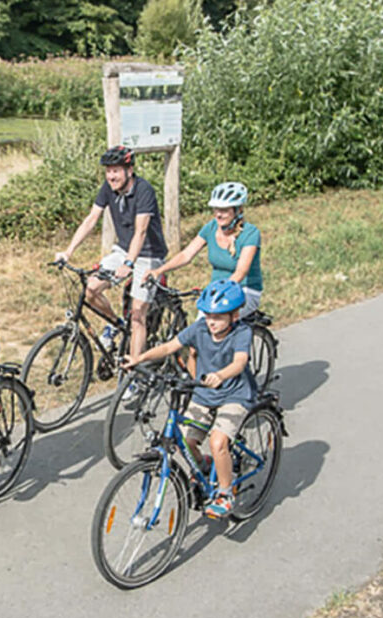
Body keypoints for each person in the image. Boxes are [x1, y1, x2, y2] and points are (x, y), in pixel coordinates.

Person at [126, 279, 257, 521]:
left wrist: (220, 375)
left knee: (218, 442)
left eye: (218, 317)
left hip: (234, 394)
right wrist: (140, 358)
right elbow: (169, 347)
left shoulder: (242, 332)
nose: (211, 322)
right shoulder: (199, 329)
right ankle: (205, 466)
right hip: (204, 393)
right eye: (208, 316)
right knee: (186, 441)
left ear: (234, 315)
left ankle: (225, 494)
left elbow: (240, 362)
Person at [56, 145, 167, 359]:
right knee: (90, 290)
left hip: (149, 255)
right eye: (108, 171)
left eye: (115, 170)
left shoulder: (144, 191)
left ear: (129, 170)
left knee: (138, 315)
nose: (111, 176)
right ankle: (117, 324)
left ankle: (134, 373)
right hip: (124, 250)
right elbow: (91, 220)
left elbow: (141, 230)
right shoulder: (108, 189)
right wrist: (68, 251)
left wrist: (129, 264)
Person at [152, 180, 263, 319]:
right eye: (216, 209)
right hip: (215, 291)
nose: (218, 214)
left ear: (238, 210)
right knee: (200, 329)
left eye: (224, 210)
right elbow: (186, 255)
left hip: (244, 289)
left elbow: (241, 271)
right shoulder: (210, 228)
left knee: (219, 321)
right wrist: (159, 270)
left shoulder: (250, 233)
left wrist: (220, 291)